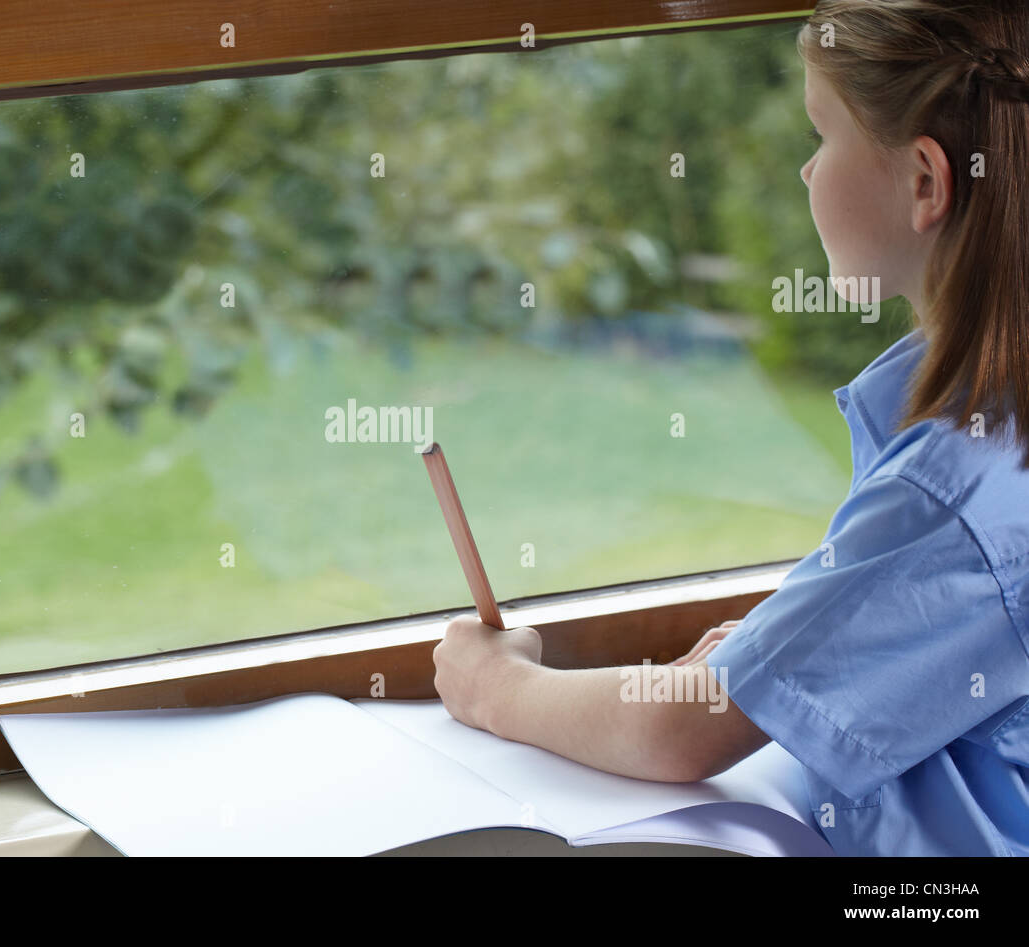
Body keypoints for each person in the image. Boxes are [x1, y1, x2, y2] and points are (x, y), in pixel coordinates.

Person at [433, 0, 1029, 856]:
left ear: (926, 183)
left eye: (821, 135)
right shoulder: (981, 427)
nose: (806, 171)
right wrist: (774, 649)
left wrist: (495, 685)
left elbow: (681, 732)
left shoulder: (954, 489)